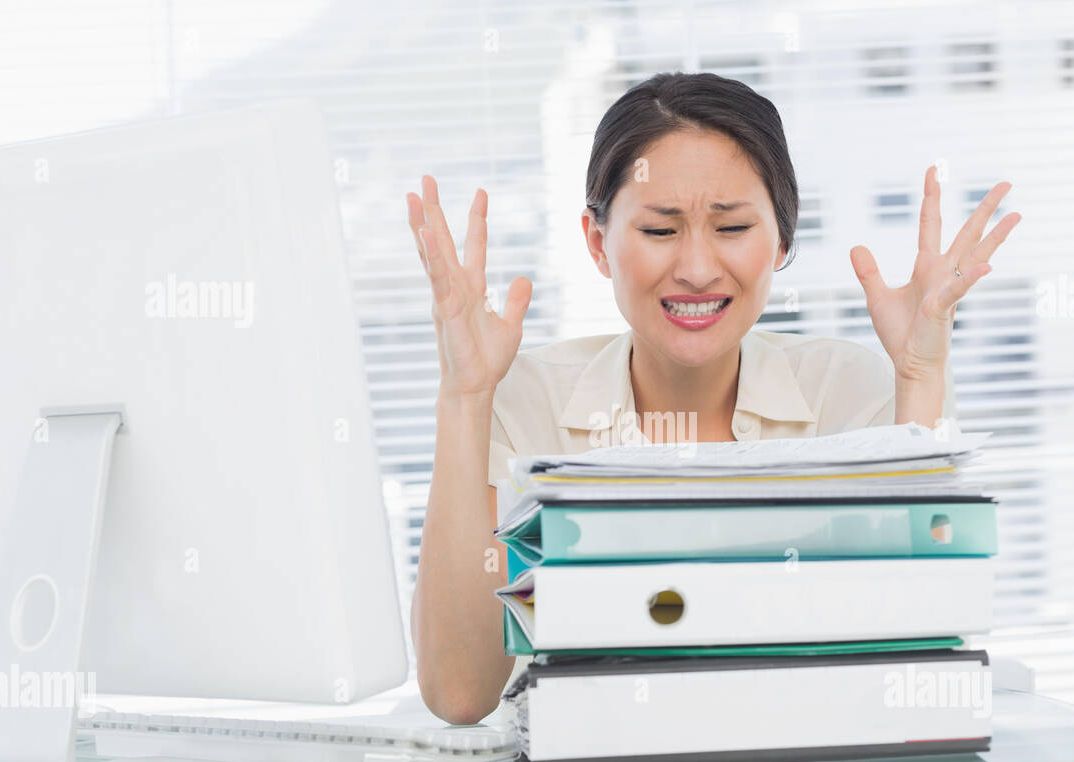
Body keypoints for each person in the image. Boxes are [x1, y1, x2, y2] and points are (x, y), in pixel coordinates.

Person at [404, 71, 1020, 724]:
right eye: (661, 231)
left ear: (781, 238)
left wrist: (922, 376)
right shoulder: (520, 401)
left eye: (730, 228)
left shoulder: (854, 392)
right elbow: (461, 693)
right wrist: (464, 398)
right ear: (597, 242)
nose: (697, 268)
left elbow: (916, 672)